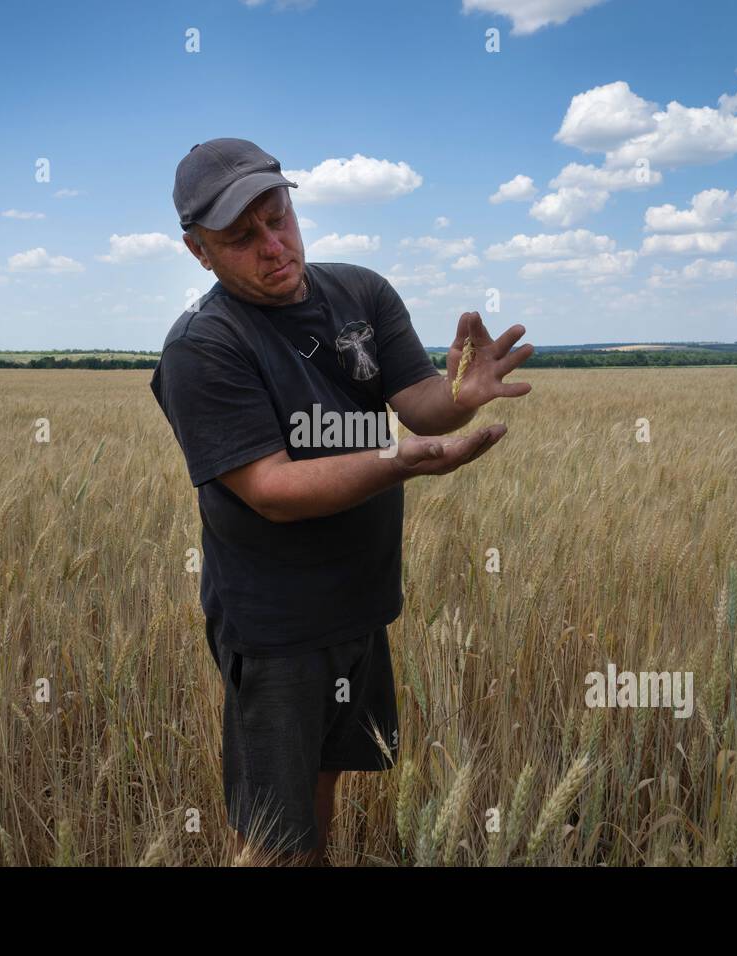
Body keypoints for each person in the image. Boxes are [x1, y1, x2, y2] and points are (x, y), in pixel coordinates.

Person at [151, 137, 532, 865]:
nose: (273, 246)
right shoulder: (205, 346)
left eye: (279, 217)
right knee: (270, 836)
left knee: (320, 796)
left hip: (359, 606)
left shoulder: (359, 291)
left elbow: (421, 405)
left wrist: (460, 398)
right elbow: (271, 489)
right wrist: (405, 462)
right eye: (241, 238)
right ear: (199, 252)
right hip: (275, 627)